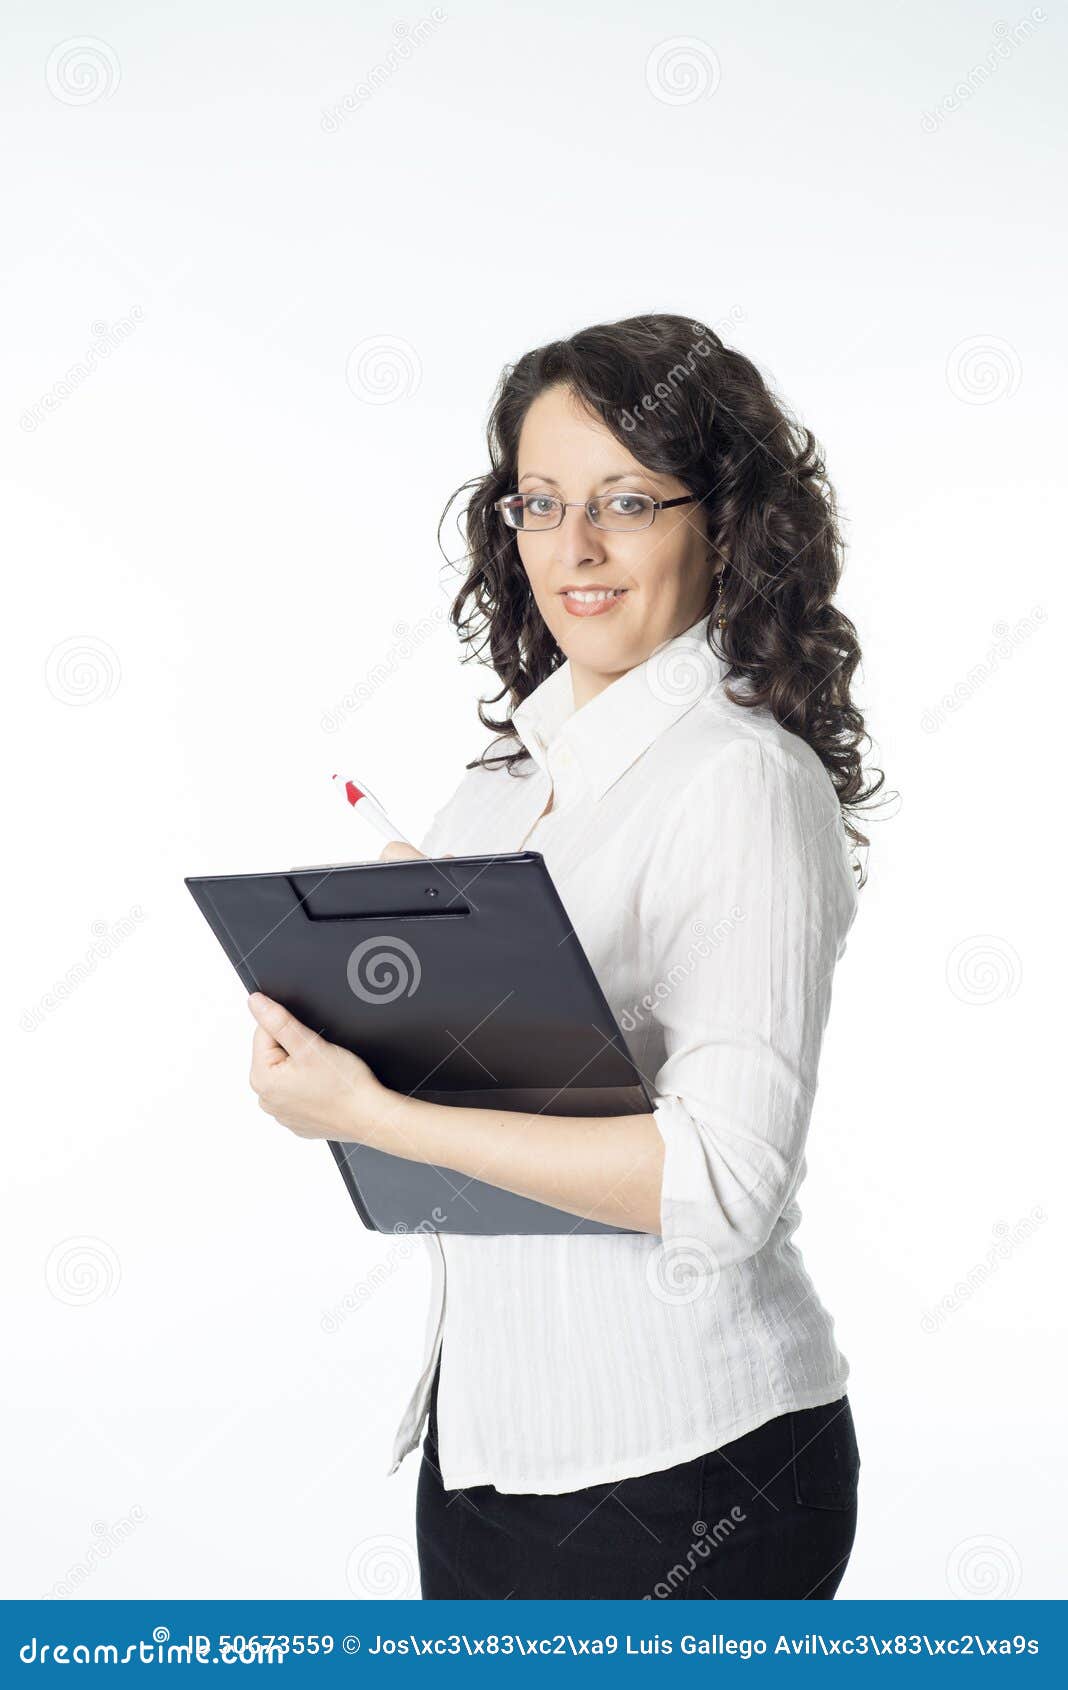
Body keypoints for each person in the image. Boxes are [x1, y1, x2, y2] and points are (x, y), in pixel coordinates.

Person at [248, 312, 885, 1600]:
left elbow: (720, 1185)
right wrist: (368, 1020)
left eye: (627, 502)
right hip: (485, 1446)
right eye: (541, 503)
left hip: (689, 1472)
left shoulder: (742, 785)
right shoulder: (505, 782)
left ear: (726, 521)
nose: (576, 548)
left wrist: (376, 1112)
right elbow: (486, 1111)